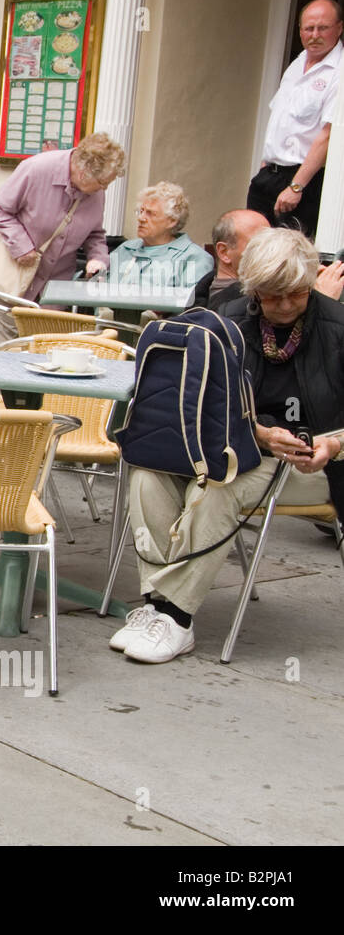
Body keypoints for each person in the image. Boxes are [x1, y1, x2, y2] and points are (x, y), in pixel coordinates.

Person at [117, 228, 344, 664]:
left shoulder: (338, 327)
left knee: (218, 484)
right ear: (251, 287)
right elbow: (189, 400)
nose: (280, 307)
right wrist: (258, 432)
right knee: (148, 473)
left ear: (312, 282)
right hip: (229, 445)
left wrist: (330, 447)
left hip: (311, 465)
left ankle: (173, 615)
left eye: (293, 295)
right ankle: (157, 607)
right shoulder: (225, 316)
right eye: (269, 295)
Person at [0, 131, 126, 342]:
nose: (105, 188)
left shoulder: (96, 190)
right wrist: (22, 246)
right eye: (103, 182)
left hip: (55, 286)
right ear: (82, 172)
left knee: (47, 349)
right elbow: (0, 210)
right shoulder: (36, 169)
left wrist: (97, 258)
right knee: (8, 349)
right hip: (15, 277)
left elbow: (95, 233)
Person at [246, 0, 343, 239]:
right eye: (309, 28)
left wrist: (296, 186)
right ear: (300, 30)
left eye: (323, 28)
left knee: (288, 256)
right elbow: (280, 119)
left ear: (339, 28)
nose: (314, 35)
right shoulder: (297, 64)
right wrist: (265, 166)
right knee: (252, 247)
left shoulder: (339, 73)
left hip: (302, 181)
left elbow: (328, 135)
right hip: (270, 174)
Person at [106, 182, 212, 288]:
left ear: (172, 221)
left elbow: (192, 302)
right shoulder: (125, 249)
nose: (141, 218)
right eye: (141, 211)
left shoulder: (194, 258)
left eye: (151, 213)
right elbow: (96, 288)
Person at [194, 209, 271, 308]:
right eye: (258, 244)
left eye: (271, 241)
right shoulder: (243, 306)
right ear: (224, 252)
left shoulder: (203, 292)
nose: (271, 249)